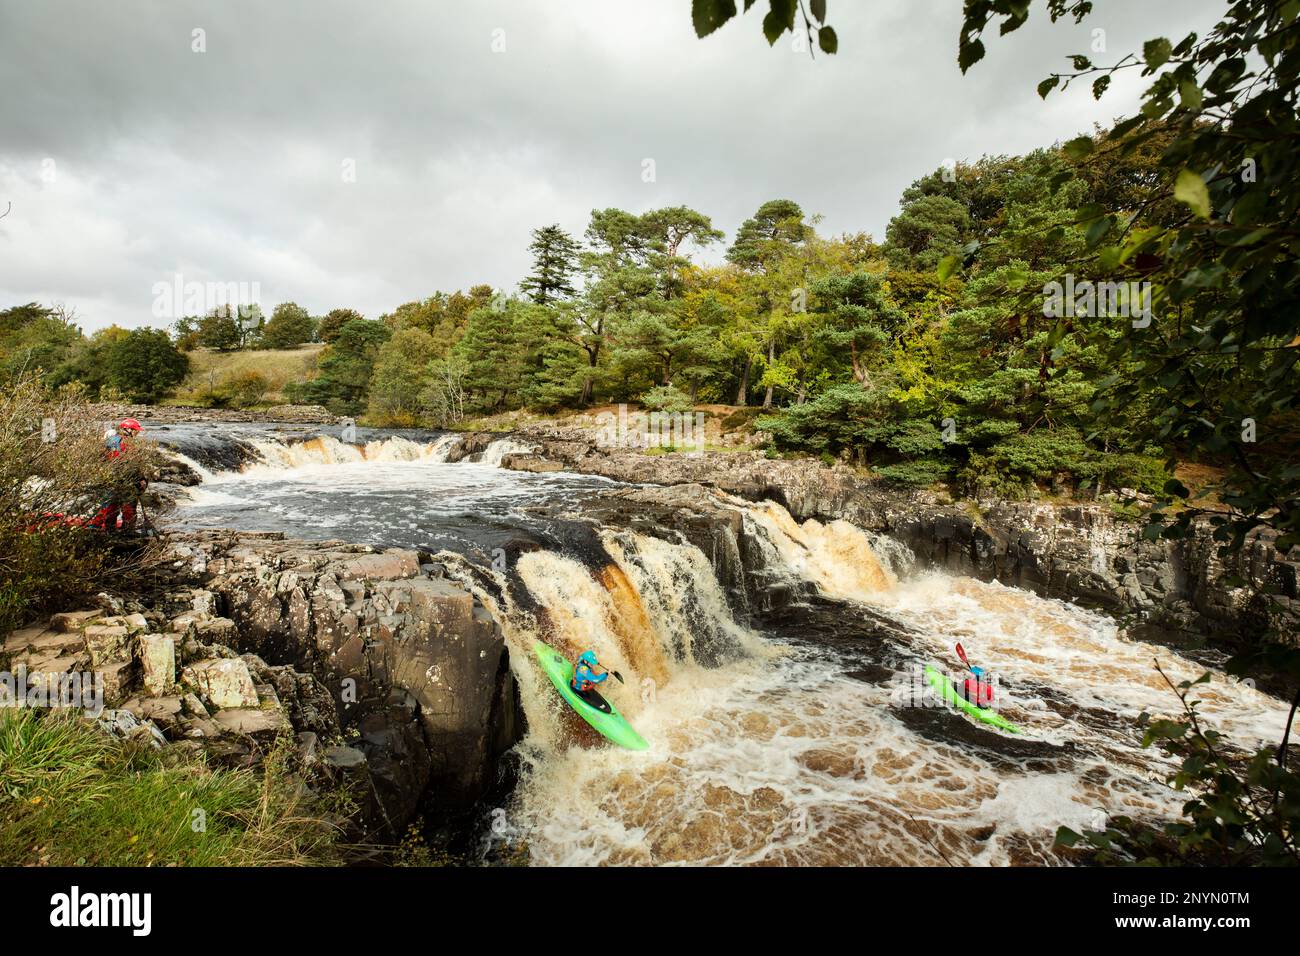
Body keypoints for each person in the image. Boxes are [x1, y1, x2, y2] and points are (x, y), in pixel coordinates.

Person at [92, 418, 147, 532]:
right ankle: (126, 531)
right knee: (127, 507)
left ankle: (107, 529)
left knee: (109, 506)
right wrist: (141, 480)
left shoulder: (111, 440)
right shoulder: (128, 444)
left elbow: (100, 458)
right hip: (123, 480)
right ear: (128, 430)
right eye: (136, 431)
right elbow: (133, 465)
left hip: (110, 479)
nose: (137, 433)